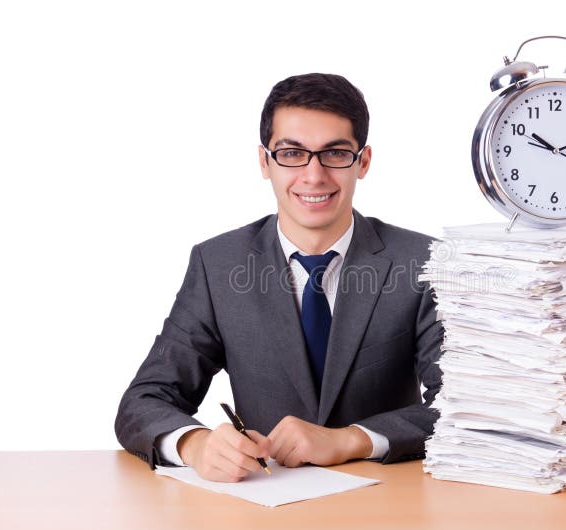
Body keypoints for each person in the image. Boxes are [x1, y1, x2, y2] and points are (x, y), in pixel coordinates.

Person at [114, 73, 444, 482]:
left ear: (363, 162)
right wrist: (194, 445)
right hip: (265, 501)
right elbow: (143, 401)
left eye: (335, 153)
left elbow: (468, 404)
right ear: (264, 162)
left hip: (394, 499)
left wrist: (351, 439)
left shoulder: (425, 262)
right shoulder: (218, 264)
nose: (313, 175)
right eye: (291, 153)